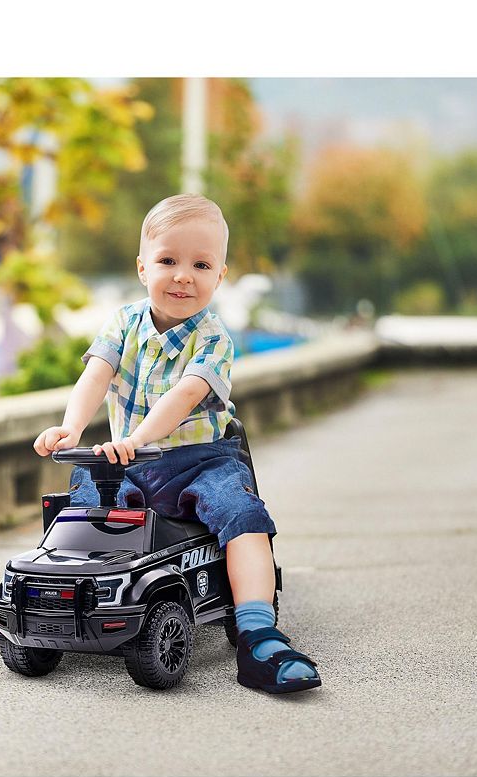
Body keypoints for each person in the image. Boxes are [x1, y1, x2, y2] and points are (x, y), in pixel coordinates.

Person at [33, 194, 321, 694]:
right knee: (80, 507)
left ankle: (258, 631)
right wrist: (72, 428)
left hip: (201, 459)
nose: (183, 275)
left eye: (200, 264)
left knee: (241, 513)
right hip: (129, 460)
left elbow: (185, 394)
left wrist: (139, 437)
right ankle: (40, 598)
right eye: (168, 261)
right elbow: (95, 376)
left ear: (220, 276)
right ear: (143, 268)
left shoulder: (214, 339)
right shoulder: (123, 322)